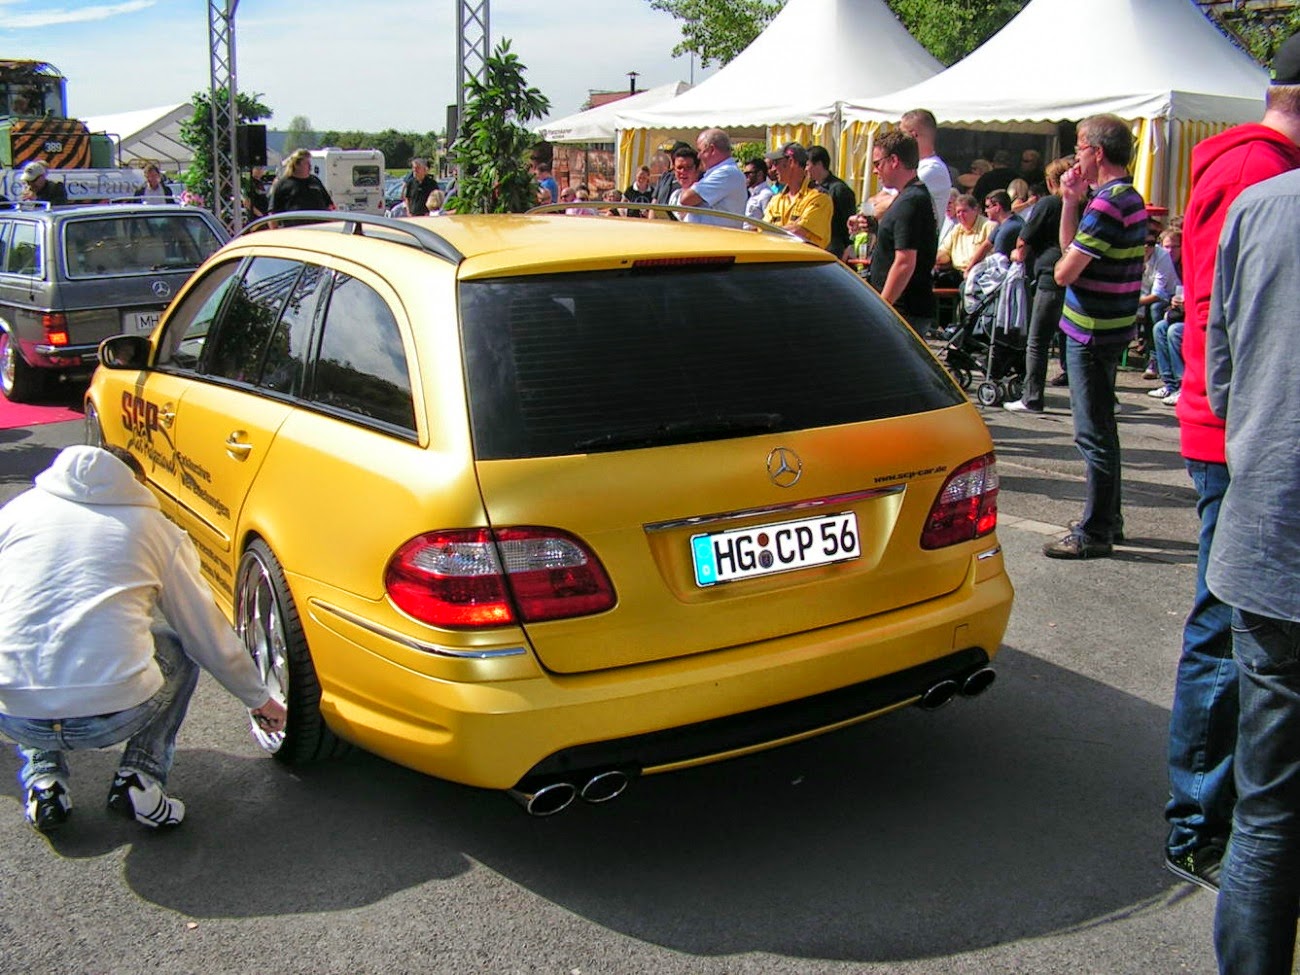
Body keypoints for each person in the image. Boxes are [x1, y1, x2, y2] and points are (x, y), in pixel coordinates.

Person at [1165, 29, 1300, 899]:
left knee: (1227, 628)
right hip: (1238, 437)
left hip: (1228, 428)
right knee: (1223, 633)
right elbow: (1220, 320)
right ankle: (1200, 824)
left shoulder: (1241, 164)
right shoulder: (1261, 175)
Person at [0, 446, 286, 834]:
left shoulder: (15, 514)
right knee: (176, 651)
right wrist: (259, 698)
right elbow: (204, 636)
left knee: (32, 640)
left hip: (14, 714)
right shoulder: (153, 529)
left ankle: (44, 782)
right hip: (112, 714)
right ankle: (141, 778)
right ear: (134, 480)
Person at [1204, 165, 1300, 974]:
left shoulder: (1261, 207)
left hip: (1270, 533)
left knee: (1267, 813)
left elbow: (1220, 364)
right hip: (1271, 549)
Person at [1041, 114, 1146, 560]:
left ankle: (1097, 528)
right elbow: (1072, 251)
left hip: (1092, 330)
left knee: (1092, 432)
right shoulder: (1121, 198)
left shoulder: (1109, 204)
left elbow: (1064, 271)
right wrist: (1069, 200)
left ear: (1097, 152)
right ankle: (1108, 518)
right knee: (1102, 426)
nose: (1076, 155)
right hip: (1108, 327)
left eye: (1080, 146)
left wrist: (1077, 206)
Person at [1005, 156, 1072, 413]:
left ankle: (1032, 396)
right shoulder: (1085, 203)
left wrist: (1017, 255)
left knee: (1038, 340)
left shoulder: (1049, 203)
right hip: (1076, 274)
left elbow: (1025, 238)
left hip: (1050, 274)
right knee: (1076, 337)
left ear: (1050, 181)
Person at [867, 128, 938, 334]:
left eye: (877, 163)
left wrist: (883, 308)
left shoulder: (911, 201)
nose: (875, 171)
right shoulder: (910, 196)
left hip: (903, 311)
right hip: (905, 309)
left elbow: (905, 261)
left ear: (894, 160)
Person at [762, 142, 833, 248]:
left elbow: (799, 232)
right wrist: (793, 226)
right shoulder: (776, 200)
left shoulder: (820, 198)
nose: (773, 169)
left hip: (805, 263)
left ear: (791, 162)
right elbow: (763, 230)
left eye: (776, 163)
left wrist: (774, 229)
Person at [678, 127, 747, 226]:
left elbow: (686, 199)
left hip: (716, 239)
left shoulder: (727, 173)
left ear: (711, 149)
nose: (698, 156)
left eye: (700, 150)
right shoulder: (721, 173)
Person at [900, 108, 952, 230]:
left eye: (901, 134)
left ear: (913, 135)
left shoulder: (933, 169)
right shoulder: (912, 166)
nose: (898, 140)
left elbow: (892, 201)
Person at [806, 145, 857, 257]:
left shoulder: (839, 189)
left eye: (807, 165)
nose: (806, 169)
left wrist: (848, 248)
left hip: (835, 249)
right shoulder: (810, 188)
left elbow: (849, 222)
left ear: (819, 164)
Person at [934, 193, 993, 282]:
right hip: (957, 273)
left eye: (964, 211)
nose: (960, 215)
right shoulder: (957, 230)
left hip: (980, 274)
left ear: (975, 210)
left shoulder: (988, 226)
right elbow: (944, 251)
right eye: (958, 212)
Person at [269, 149, 334, 222]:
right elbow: (272, 213)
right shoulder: (282, 184)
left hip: (320, 228)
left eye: (310, 162)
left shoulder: (315, 181)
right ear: (296, 165)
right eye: (306, 163)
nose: (310, 166)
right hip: (295, 229)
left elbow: (330, 205)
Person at [983, 189, 1024, 259]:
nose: (985, 210)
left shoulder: (1006, 231)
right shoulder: (1010, 219)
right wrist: (969, 268)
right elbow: (986, 245)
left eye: (988, 207)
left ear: (997, 207)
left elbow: (999, 261)